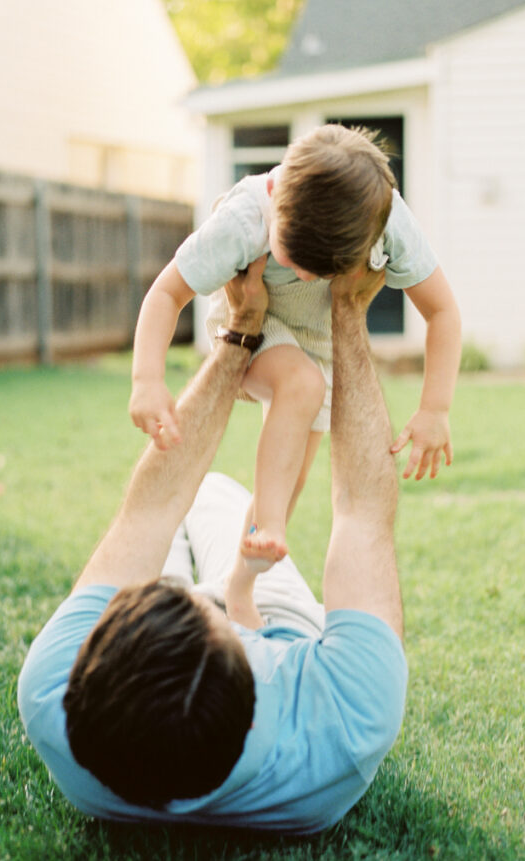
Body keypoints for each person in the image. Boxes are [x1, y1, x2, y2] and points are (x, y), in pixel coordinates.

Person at [18, 257, 408, 833]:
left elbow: (149, 512)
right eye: (208, 612)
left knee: (176, 512)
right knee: (216, 494)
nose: (207, 602)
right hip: (277, 622)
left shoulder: (51, 693)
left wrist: (241, 330)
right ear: (253, 711)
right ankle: (224, 561)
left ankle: (196, 564)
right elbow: (362, 512)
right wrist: (346, 311)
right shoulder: (345, 725)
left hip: (188, 659)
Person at [129, 124, 461, 602]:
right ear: (275, 196)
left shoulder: (386, 220)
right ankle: (269, 526)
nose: (306, 275)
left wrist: (435, 409)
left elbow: (442, 312)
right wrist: (147, 378)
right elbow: (166, 292)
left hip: (319, 337)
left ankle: (240, 586)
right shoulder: (245, 217)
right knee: (301, 385)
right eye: (293, 258)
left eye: (322, 270)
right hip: (251, 315)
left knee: (289, 479)